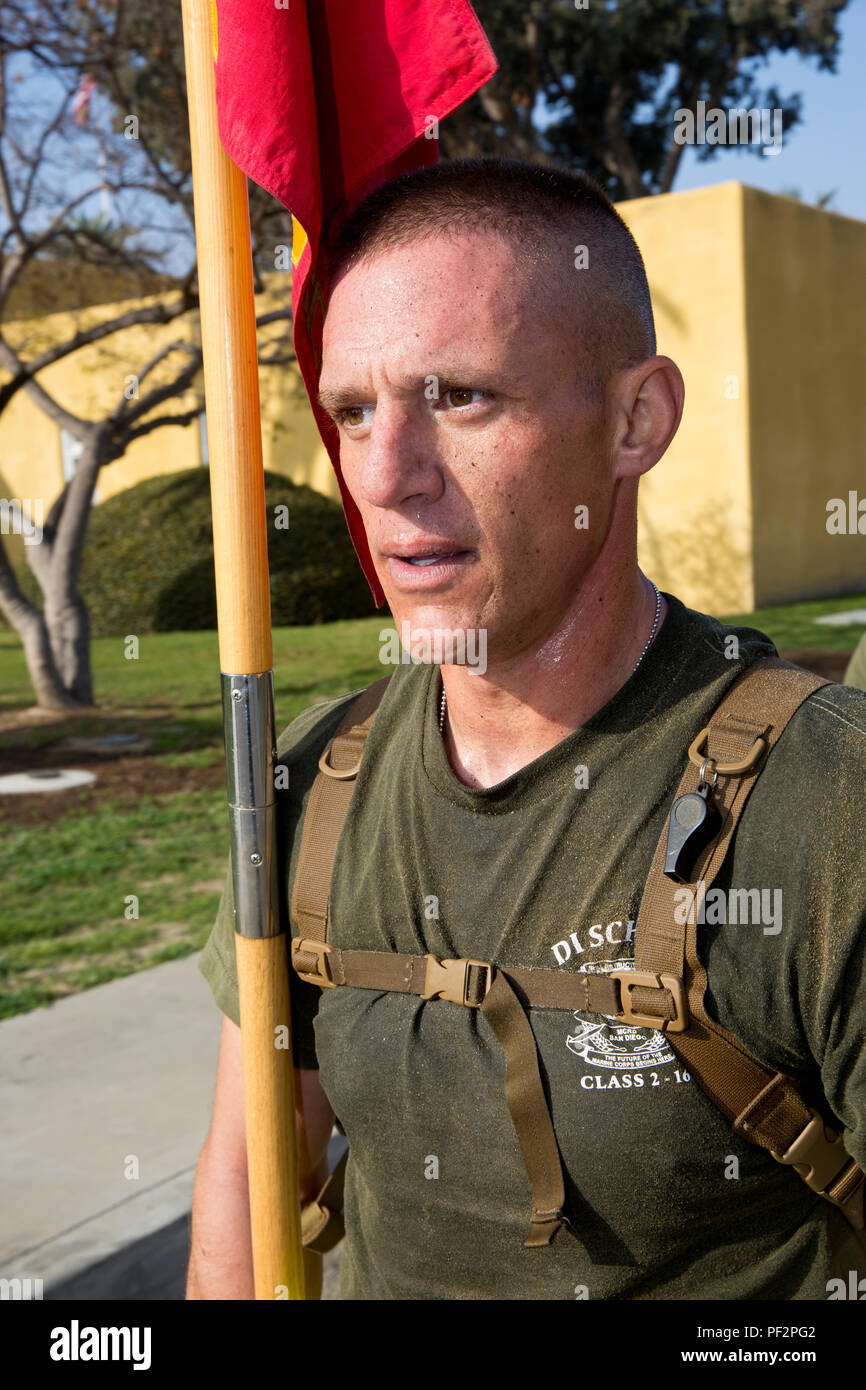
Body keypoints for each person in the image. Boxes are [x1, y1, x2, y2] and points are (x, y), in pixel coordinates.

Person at [186, 158, 866, 1301]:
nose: (384, 477)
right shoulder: (313, 777)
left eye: (458, 396)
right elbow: (253, 1180)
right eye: (351, 412)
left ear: (635, 420)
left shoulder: (828, 800)